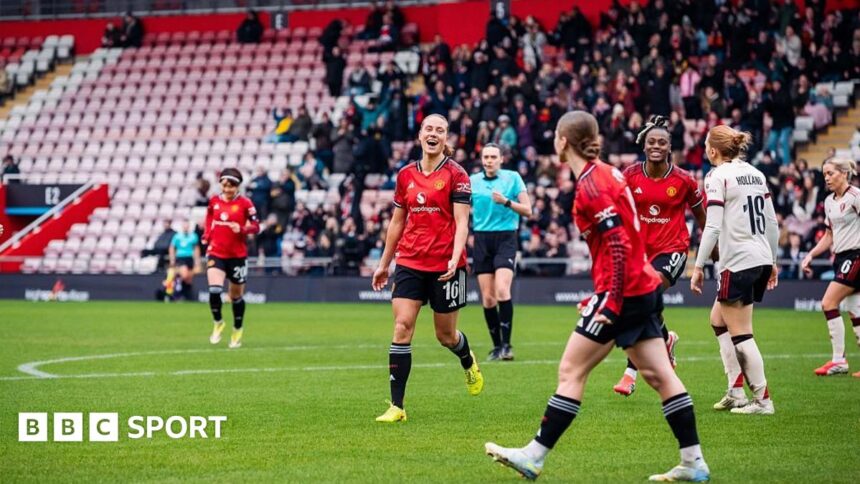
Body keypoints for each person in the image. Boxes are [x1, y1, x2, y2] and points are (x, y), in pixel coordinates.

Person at [485, 111, 709, 482]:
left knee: (571, 371)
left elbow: (618, 244)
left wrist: (610, 299)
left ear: (563, 142)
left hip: (625, 294)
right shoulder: (609, 173)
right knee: (660, 375)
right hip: (644, 287)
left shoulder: (591, 185)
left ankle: (534, 456)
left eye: (556, 136)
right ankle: (694, 462)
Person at [371, 114, 483, 423]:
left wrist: (455, 256)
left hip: (447, 264)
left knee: (445, 336)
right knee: (402, 326)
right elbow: (397, 222)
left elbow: (462, 222)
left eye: (440, 130)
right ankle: (397, 406)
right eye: (429, 129)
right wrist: (384, 263)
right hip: (409, 261)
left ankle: (466, 358)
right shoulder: (406, 175)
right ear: (420, 135)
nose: (434, 134)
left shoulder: (457, 175)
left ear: (446, 139)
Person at [612, 115, 709, 396]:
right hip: (638, 252)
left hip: (673, 249)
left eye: (662, 142)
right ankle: (666, 339)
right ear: (644, 146)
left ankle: (631, 372)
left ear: (670, 148)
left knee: (645, 294)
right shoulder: (629, 175)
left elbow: (703, 219)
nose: (656, 146)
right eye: (652, 141)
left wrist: (714, 250)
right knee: (642, 303)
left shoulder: (684, 181)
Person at [691, 125, 780, 415]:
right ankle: (735, 389)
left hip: (738, 260)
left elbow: (713, 226)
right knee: (718, 320)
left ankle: (762, 401)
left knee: (742, 333)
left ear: (713, 150)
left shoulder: (717, 176)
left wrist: (699, 265)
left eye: (706, 144)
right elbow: (772, 223)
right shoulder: (756, 173)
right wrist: (773, 260)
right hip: (760, 256)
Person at [470, 143, 531, 361]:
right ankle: (496, 347)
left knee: (502, 290)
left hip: (506, 237)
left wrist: (506, 201)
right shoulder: (472, 181)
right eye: (486, 156)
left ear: (501, 159)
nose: (489, 160)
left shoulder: (513, 178)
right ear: (481, 159)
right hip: (481, 239)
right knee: (487, 298)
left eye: (493, 157)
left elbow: (528, 210)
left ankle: (507, 346)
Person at [801, 158, 860, 378]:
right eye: (824, 174)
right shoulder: (828, 202)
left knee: (828, 303)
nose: (827, 178)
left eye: (831, 173)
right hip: (842, 257)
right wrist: (810, 255)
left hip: (856, 257)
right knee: (855, 308)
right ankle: (840, 361)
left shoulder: (856, 197)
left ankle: (838, 361)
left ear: (844, 173)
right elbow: (829, 236)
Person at [203, 168, 260, 349]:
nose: (227, 189)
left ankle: (237, 329)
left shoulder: (246, 203)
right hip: (216, 252)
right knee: (214, 290)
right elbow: (209, 217)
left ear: (238, 187)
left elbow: (257, 226)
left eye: (231, 186)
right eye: (225, 185)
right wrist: (207, 235)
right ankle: (218, 322)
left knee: (236, 296)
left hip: (237, 256)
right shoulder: (214, 201)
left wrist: (243, 229)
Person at [168, 220, 201, 301]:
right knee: (184, 275)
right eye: (184, 226)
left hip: (190, 258)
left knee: (188, 279)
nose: (186, 227)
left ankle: (186, 296)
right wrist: (172, 259)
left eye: (187, 226)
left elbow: (196, 248)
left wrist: (197, 261)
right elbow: (172, 248)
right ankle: (175, 287)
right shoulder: (177, 236)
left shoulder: (193, 236)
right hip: (181, 257)